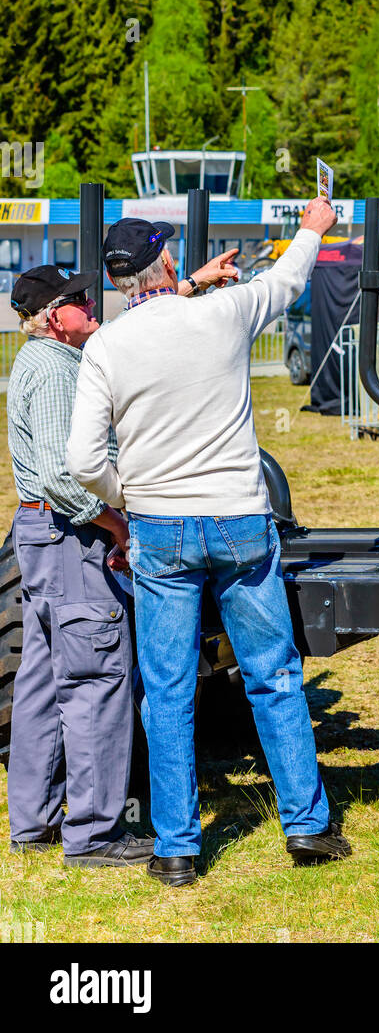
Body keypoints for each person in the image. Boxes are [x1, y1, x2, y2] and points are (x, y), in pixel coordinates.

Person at [66, 203, 349, 888]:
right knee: (274, 677)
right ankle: (307, 827)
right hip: (239, 518)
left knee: (165, 693)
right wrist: (313, 223)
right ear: (167, 262)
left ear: (118, 281)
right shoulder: (223, 315)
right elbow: (285, 284)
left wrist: (126, 494)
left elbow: (80, 461)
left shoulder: (106, 346)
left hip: (159, 525)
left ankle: (176, 848)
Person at [5, 246, 237, 866]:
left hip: (42, 537)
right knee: (96, 682)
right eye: (79, 300)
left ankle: (33, 820)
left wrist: (187, 284)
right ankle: (94, 836)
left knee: (40, 679)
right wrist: (116, 527)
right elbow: (64, 475)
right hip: (72, 537)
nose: (90, 305)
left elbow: (141, 322)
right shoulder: (57, 372)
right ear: (57, 318)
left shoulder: (41, 358)